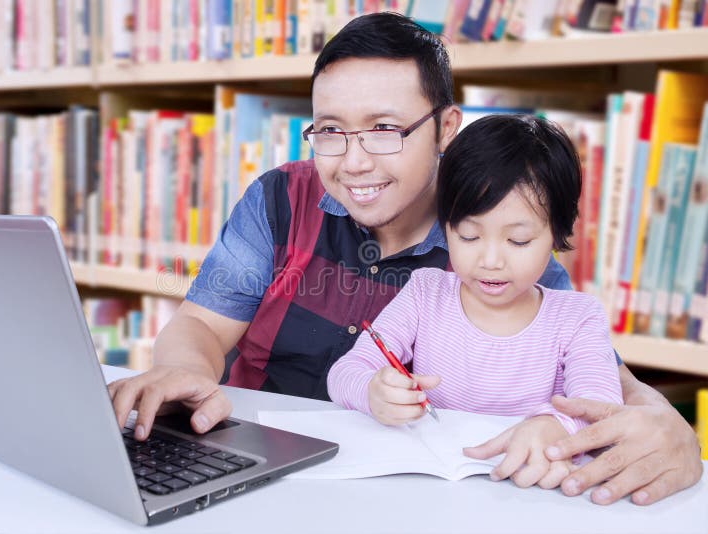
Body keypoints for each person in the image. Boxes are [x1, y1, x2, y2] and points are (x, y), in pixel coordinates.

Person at [108, 12, 703, 506]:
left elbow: (594, 371)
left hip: (400, 497)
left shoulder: (492, 239)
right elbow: (202, 323)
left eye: (385, 129)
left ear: (446, 127)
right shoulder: (278, 198)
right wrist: (185, 369)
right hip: (244, 469)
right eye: (332, 132)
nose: (355, 161)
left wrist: (669, 425)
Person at [327, 114, 624, 490]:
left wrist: (554, 425)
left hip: (531, 494)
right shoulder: (425, 294)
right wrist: (373, 392)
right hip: (429, 490)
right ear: (446, 226)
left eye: (517, 241)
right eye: (468, 236)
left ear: (557, 233)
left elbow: (601, 405)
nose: (491, 261)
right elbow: (345, 371)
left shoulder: (576, 318)